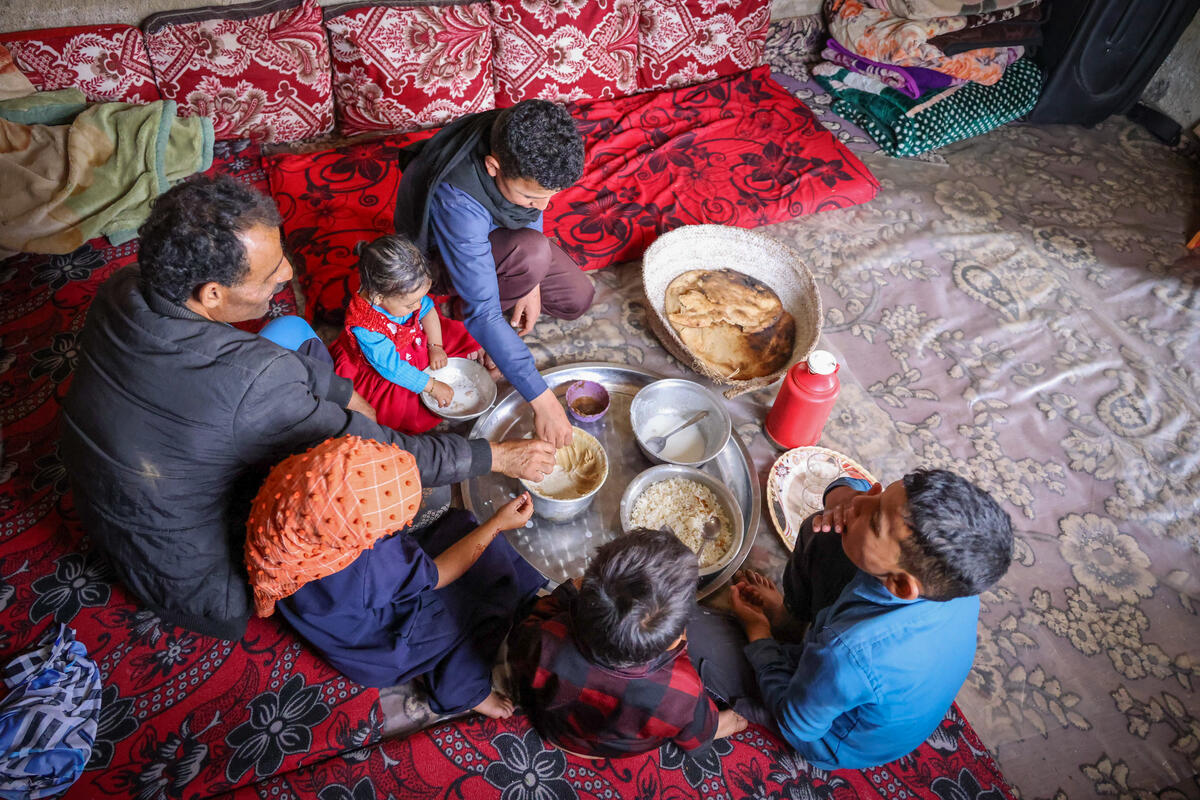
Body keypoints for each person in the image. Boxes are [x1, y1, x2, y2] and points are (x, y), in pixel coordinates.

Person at [60, 175, 555, 641]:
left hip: (126, 490)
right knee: (340, 496)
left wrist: (348, 396)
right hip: (207, 584)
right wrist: (499, 457)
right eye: (271, 270)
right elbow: (388, 454)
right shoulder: (253, 381)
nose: (289, 273)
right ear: (211, 294)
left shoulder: (123, 286)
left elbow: (284, 369)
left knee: (295, 333)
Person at [717, 469, 1013, 770]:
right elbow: (854, 487)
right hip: (850, 661)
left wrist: (759, 634)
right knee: (821, 528)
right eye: (881, 495)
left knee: (705, 643)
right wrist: (843, 499)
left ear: (899, 585)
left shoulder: (847, 651)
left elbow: (798, 724)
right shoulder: (953, 581)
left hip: (828, 735)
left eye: (874, 520)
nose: (862, 504)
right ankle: (790, 622)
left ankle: (772, 656)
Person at [246, 436, 545, 718]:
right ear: (358, 537)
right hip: (381, 644)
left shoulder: (295, 488)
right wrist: (496, 524)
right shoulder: (366, 567)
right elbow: (439, 574)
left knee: (461, 531)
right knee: (486, 594)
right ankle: (464, 691)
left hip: (325, 606)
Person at [394, 99, 594, 449]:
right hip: (441, 257)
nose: (544, 206)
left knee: (577, 296)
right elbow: (484, 311)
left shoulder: (521, 135)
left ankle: (506, 281)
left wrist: (530, 282)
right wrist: (542, 399)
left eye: (549, 197)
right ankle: (461, 306)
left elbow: (530, 212)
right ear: (492, 166)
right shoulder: (457, 198)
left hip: (503, 242)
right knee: (517, 271)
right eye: (533, 196)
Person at [508, 528, 747, 759]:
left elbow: (524, 636)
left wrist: (568, 591)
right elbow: (698, 736)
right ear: (676, 639)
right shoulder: (682, 690)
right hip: (611, 750)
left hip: (556, 730)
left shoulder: (546, 638)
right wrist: (737, 721)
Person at [330, 234, 482, 434]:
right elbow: (392, 368)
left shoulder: (406, 297)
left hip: (412, 338)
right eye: (410, 304)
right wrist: (432, 386)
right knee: (399, 409)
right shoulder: (366, 327)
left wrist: (435, 346)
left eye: (420, 298)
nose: (418, 306)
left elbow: (427, 310)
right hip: (384, 364)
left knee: (454, 334)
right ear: (378, 298)